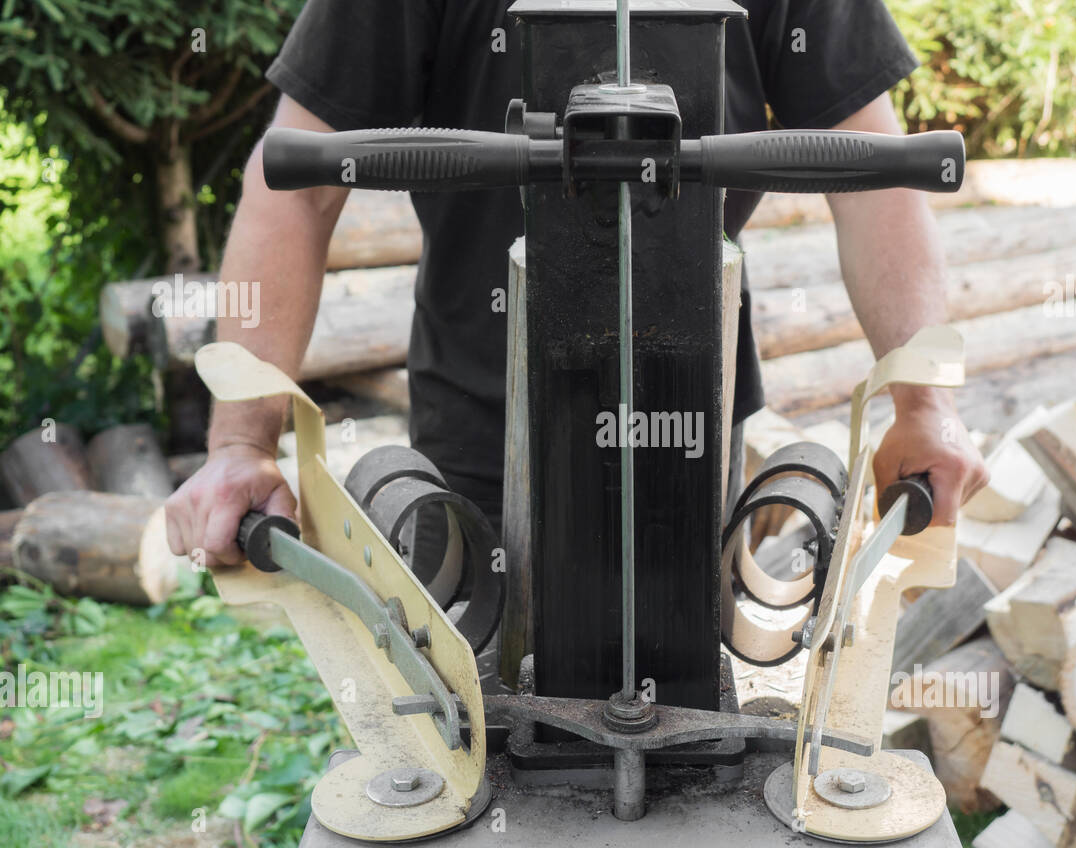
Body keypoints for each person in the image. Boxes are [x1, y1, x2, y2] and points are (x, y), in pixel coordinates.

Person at [165, 0, 988, 571]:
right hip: (480, 451)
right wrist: (240, 443)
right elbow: (295, 185)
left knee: (689, 737)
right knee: (467, 743)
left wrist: (924, 407)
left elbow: (876, 170)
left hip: (692, 433)